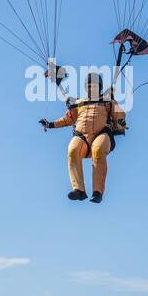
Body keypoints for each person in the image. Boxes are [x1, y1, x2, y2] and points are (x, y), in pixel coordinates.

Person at [40, 71, 126, 203]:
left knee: (97, 149)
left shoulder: (108, 101)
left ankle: (97, 192)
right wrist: (50, 124)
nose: (92, 88)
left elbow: (120, 116)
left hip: (102, 134)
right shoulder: (79, 103)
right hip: (82, 136)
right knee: (72, 149)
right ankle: (79, 190)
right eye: (89, 86)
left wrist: (119, 125)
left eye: (95, 86)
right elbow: (68, 119)